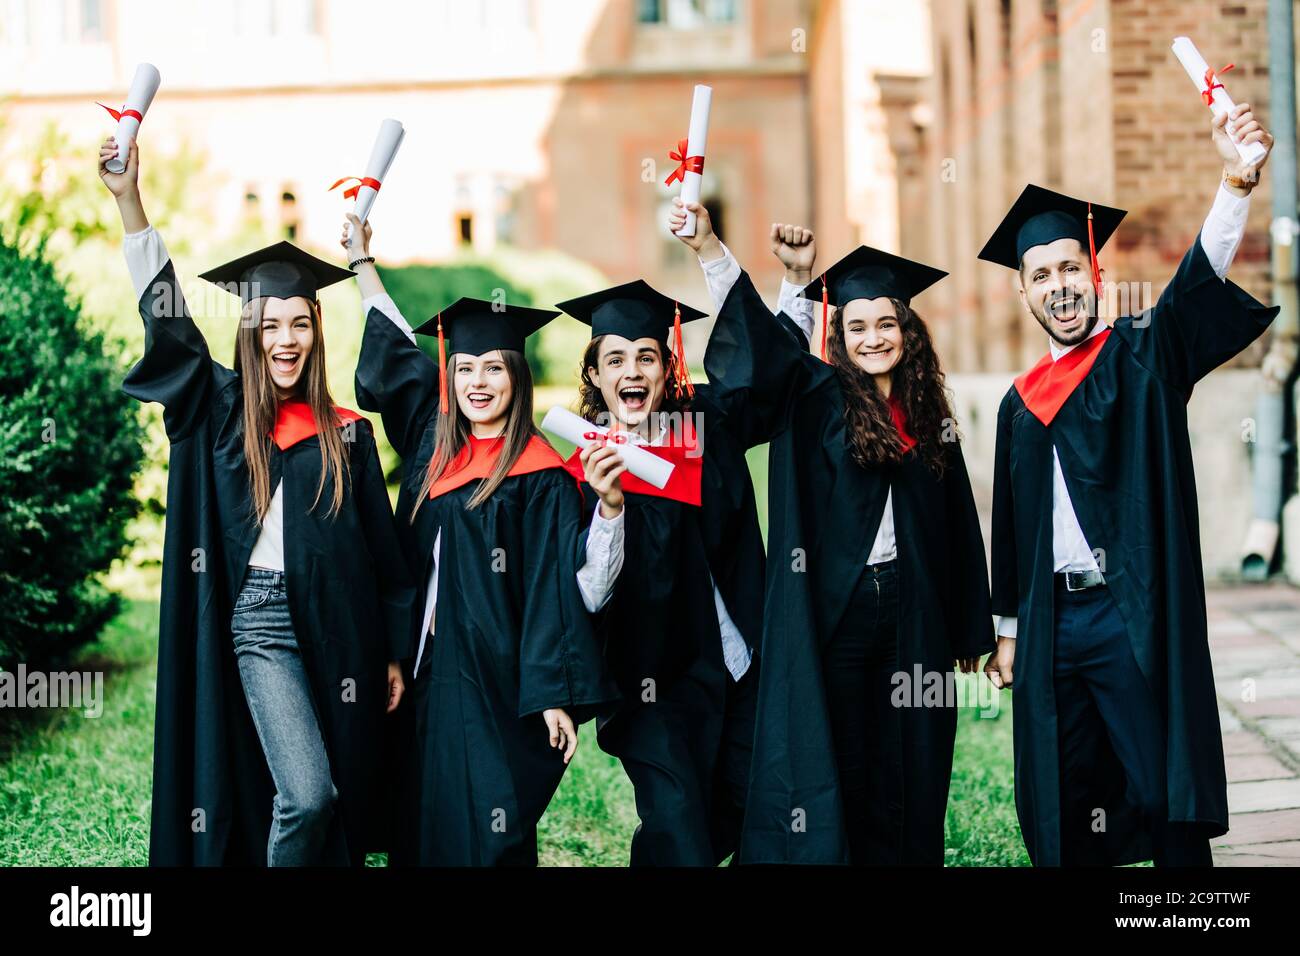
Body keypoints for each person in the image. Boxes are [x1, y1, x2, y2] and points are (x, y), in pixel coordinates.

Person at [102, 138, 414, 866]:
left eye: (300, 323)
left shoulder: (347, 435)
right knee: (309, 794)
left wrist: (394, 654)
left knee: (340, 783)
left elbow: (384, 554)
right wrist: (128, 202)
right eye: (270, 324)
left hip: (342, 629)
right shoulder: (220, 412)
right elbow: (170, 325)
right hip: (262, 622)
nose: (286, 338)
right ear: (249, 330)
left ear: (316, 331)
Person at [981, 103, 1277, 866]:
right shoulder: (1019, 403)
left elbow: (1196, 279)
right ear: (1024, 293)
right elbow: (1012, 527)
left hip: (1126, 615)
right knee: (1066, 790)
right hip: (1051, 626)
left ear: (1096, 274)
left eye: (1070, 268)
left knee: (1157, 785)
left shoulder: (1143, 358)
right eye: (1041, 275)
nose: (1059, 286)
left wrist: (1236, 181)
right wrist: (1010, 632)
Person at [672, 199, 995, 864]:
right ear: (838, 336)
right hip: (836, 615)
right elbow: (764, 363)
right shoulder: (817, 397)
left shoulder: (929, 411)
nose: (873, 336)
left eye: (887, 323)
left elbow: (957, 521)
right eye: (857, 326)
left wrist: (970, 630)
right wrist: (717, 253)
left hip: (915, 614)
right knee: (842, 754)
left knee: (913, 755)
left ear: (908, 330)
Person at [344, 214, 617, 865]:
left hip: (499, 679)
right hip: (425, 670)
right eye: (464, 368)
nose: (478, 382)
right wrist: (362, 265)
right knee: (422, 813)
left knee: (490, 827)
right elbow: (395, 359)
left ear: (517, 377)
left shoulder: (542, 478)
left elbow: (556, 589)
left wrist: (552, 694)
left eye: (494, 368)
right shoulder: (432, 444)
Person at [555, 279, 764, 864]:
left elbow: (766, 380)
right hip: (647, 683)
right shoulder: (580, 469)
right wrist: (610, 507)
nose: (633, 371)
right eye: (615, 359)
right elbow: (589, 594)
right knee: (677, 824)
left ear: (666, 367)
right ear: (595, 375)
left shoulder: (705, 430)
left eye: (647, 356)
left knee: (749, 806)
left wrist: (716, 259)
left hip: (737, 666)